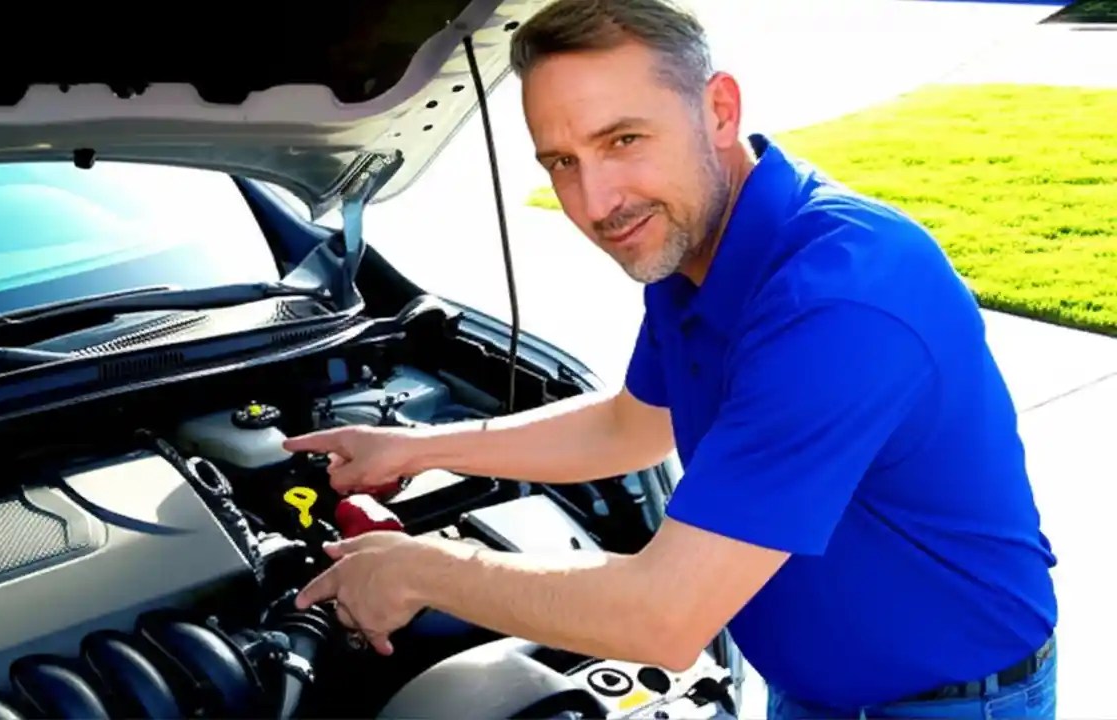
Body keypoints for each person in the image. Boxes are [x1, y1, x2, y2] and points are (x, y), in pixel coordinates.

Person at [282, 0, 1059, 717]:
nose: (595, 203)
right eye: (561, 162)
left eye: (622, 140)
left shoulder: (838, 304)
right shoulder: (693, 249)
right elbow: (631, 426)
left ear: (719, 109)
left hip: (950, 703)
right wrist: (418, 447)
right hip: (814, 688)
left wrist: (419, 570)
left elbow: (664, 618)